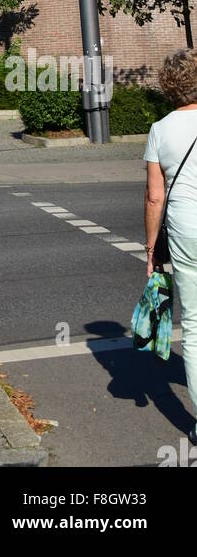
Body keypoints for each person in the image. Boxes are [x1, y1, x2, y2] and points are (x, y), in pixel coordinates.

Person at [144, 49, 197, 443]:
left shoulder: (160, 130)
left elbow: (154, 198)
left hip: (185, 229)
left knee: (193, 328)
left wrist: (150, 250)